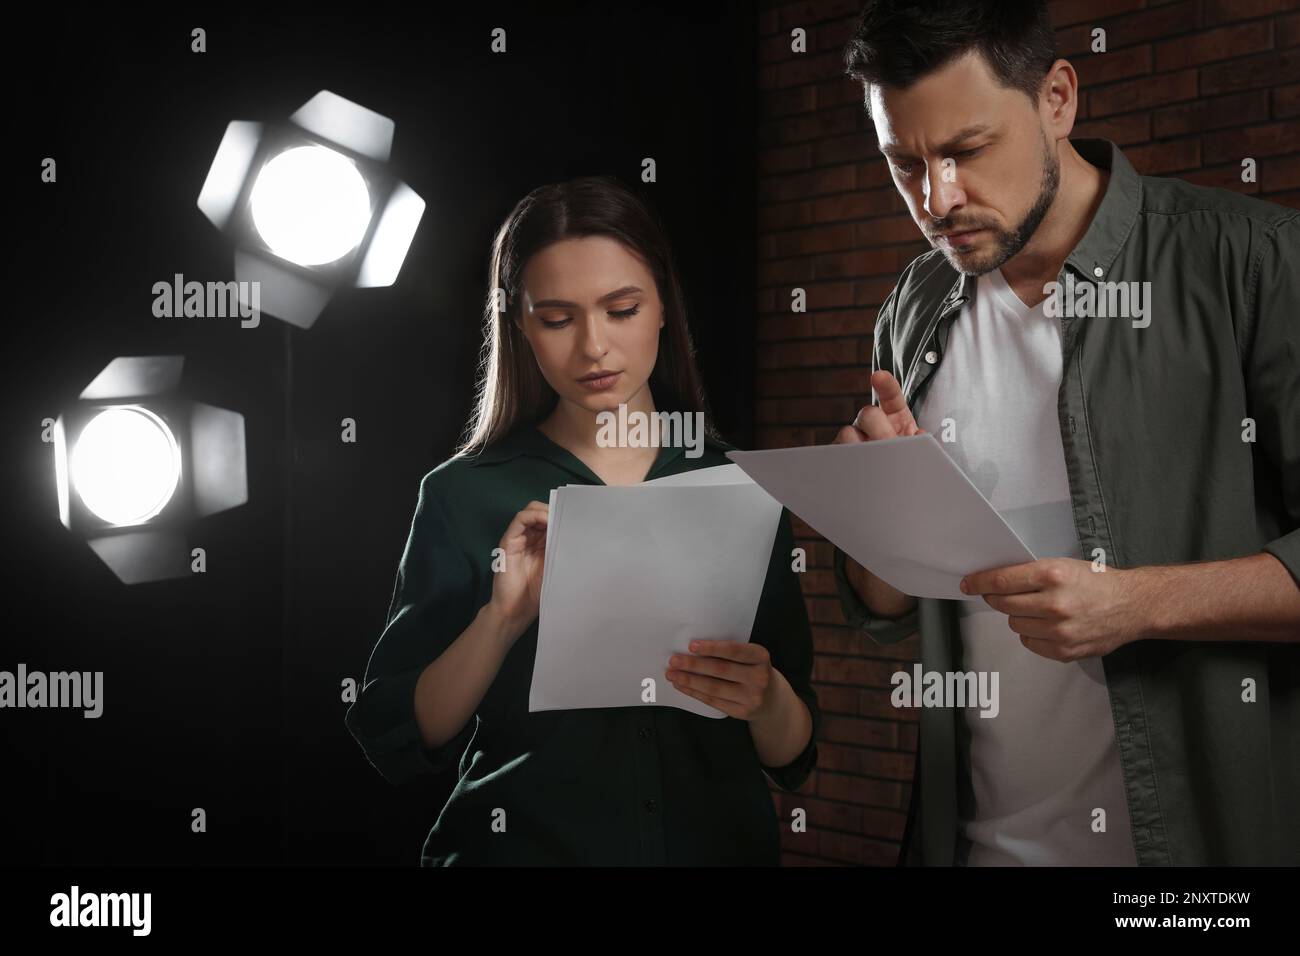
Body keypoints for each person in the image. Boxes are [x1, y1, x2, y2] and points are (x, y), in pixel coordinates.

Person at [832, 0, 1300, 865]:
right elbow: (889, 609)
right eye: (905, 164)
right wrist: (881, 514)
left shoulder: (1251, 262)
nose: (938, 200)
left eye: (967, 152)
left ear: (1057, 98)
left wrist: (1138, 605)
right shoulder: (914, 308)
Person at [345, 175, 820, 865]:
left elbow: (795, 748)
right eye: (559, 318)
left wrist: (765, 693)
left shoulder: (740, 486)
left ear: (663, 307)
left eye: (621, 309)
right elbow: (398, 733)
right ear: (520, 325)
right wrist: (501, 620)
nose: (594, 347)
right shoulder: (462, 495)